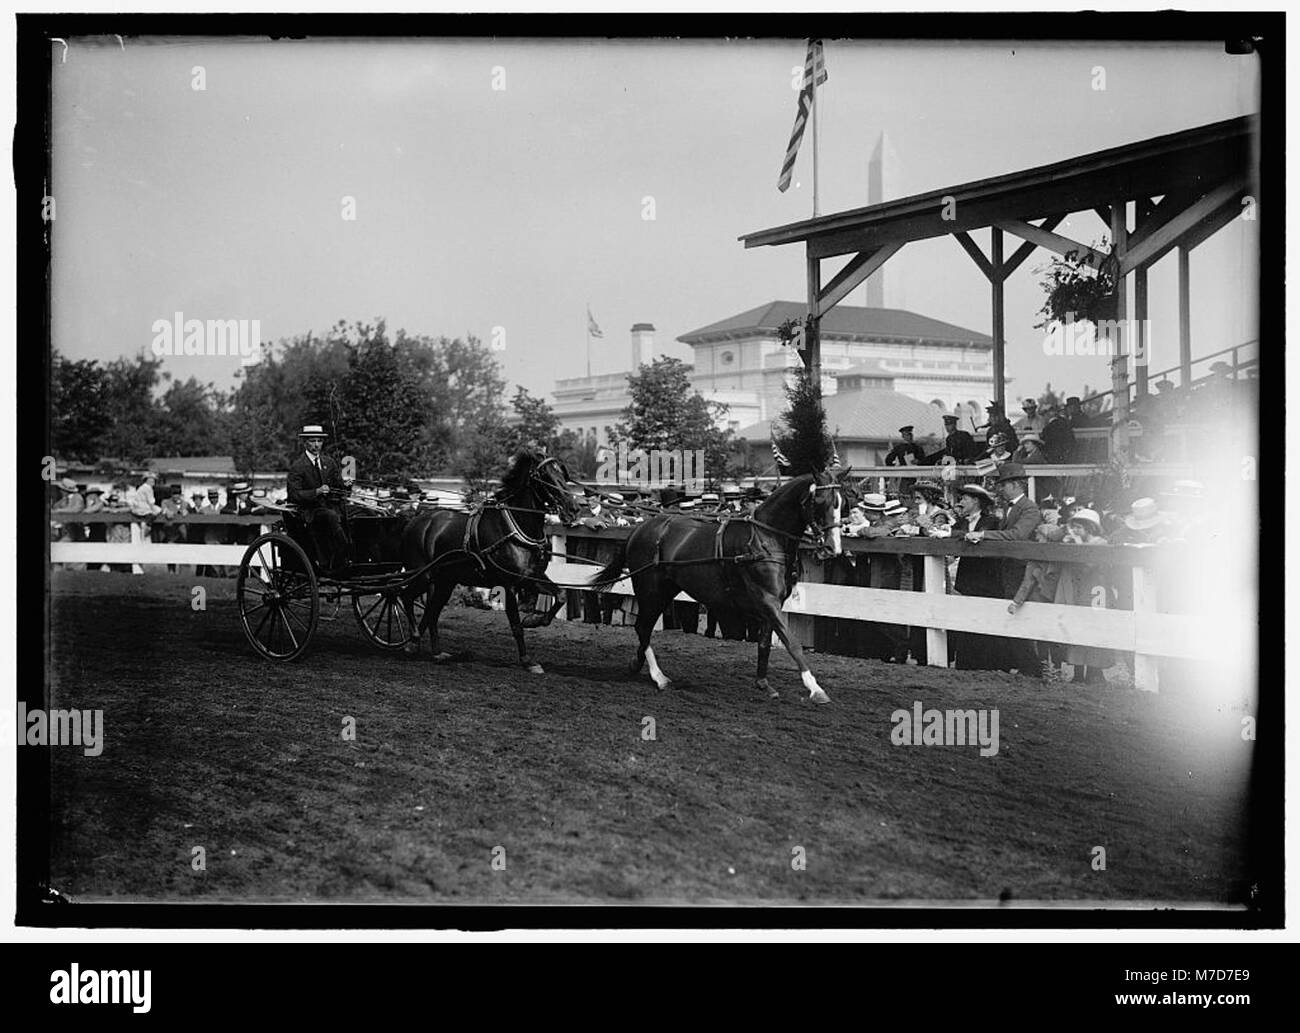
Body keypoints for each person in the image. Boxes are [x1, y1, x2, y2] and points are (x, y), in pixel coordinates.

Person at [964, 461, 1043, 674]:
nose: (1001, 488)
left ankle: (1032, 668)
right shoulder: (1012, 508)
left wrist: (983, 534)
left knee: (1021, 618)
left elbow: (1017, 535)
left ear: (1016, 485)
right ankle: (1023, 666)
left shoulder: (1029, 508)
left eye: (1004, 484)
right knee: (1011, 618)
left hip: (1020, 570)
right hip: (1008, 570)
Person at [1055, 508, 1113, 684]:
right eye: (1074, 527)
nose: (1076, 531)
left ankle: (1095, 671)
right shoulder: (1075, 542)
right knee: (1077, 625)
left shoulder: (1100, 543)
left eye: (1079, 527)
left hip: (1097, 589)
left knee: (1096, 626)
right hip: (1079, 588)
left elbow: (1088, 564)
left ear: (1090, 528)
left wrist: (1077, 544)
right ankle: (1078, 670)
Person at [949, 484, 1002, 669]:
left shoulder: (991, 521)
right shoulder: (962, 522)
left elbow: (982, 537)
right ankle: (964, 663)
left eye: (964, 499)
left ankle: (986, 665)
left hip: (986, 578)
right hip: (967, 578)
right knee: (965, 619)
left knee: (984, 620)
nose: (961, 502)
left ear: (976, 501)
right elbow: (952, 534)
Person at [286, 424, 352, 571]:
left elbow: (338, 488)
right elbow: (294, 495)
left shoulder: (329, 463)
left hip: (330, 508)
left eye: (319, 441)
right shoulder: (298, 466)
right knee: (331, 516)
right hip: (309, 512)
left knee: (361, 513)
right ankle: (343, 551)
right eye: (312, 441)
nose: (317, 445)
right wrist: (316, 491)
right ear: (305, 443)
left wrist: (346, 484)